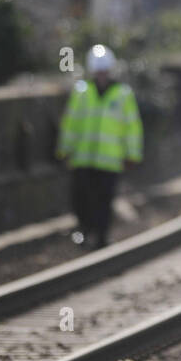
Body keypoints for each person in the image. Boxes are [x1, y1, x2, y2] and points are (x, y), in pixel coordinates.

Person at [57, 44, 143, 250]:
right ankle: (84, 231)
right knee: (81, 199)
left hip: (110, 160)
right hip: (83, 158)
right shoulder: (82, 92)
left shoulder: (123, 94)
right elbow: (71, 123)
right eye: (98, 71)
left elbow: (132, 126)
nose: (101, 76)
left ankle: (102, 236)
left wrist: (132, 154)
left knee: (104, 201)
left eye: (104, 71)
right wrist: (64, 150)